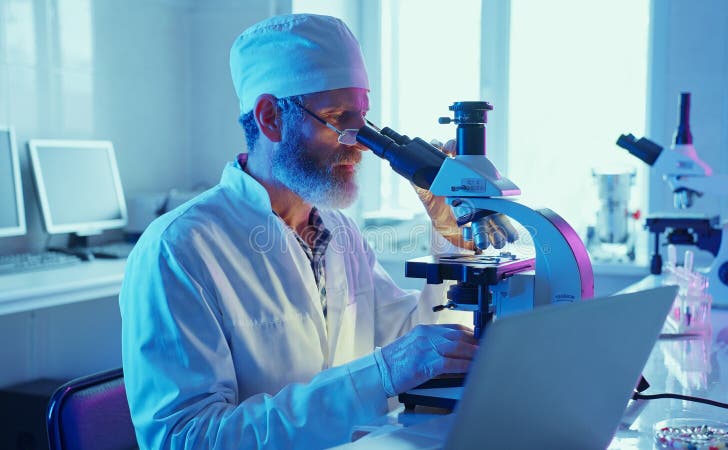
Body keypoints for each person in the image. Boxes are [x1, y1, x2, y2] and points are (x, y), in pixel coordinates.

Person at [119, 13, 499, 449]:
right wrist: (378, 374)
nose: (360, 144)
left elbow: (418, 344)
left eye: (365, 121)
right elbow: (186, 439)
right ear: (270, 118)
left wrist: (451, 238)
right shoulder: (178, 251)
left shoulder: (338, 232)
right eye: (339, 119)